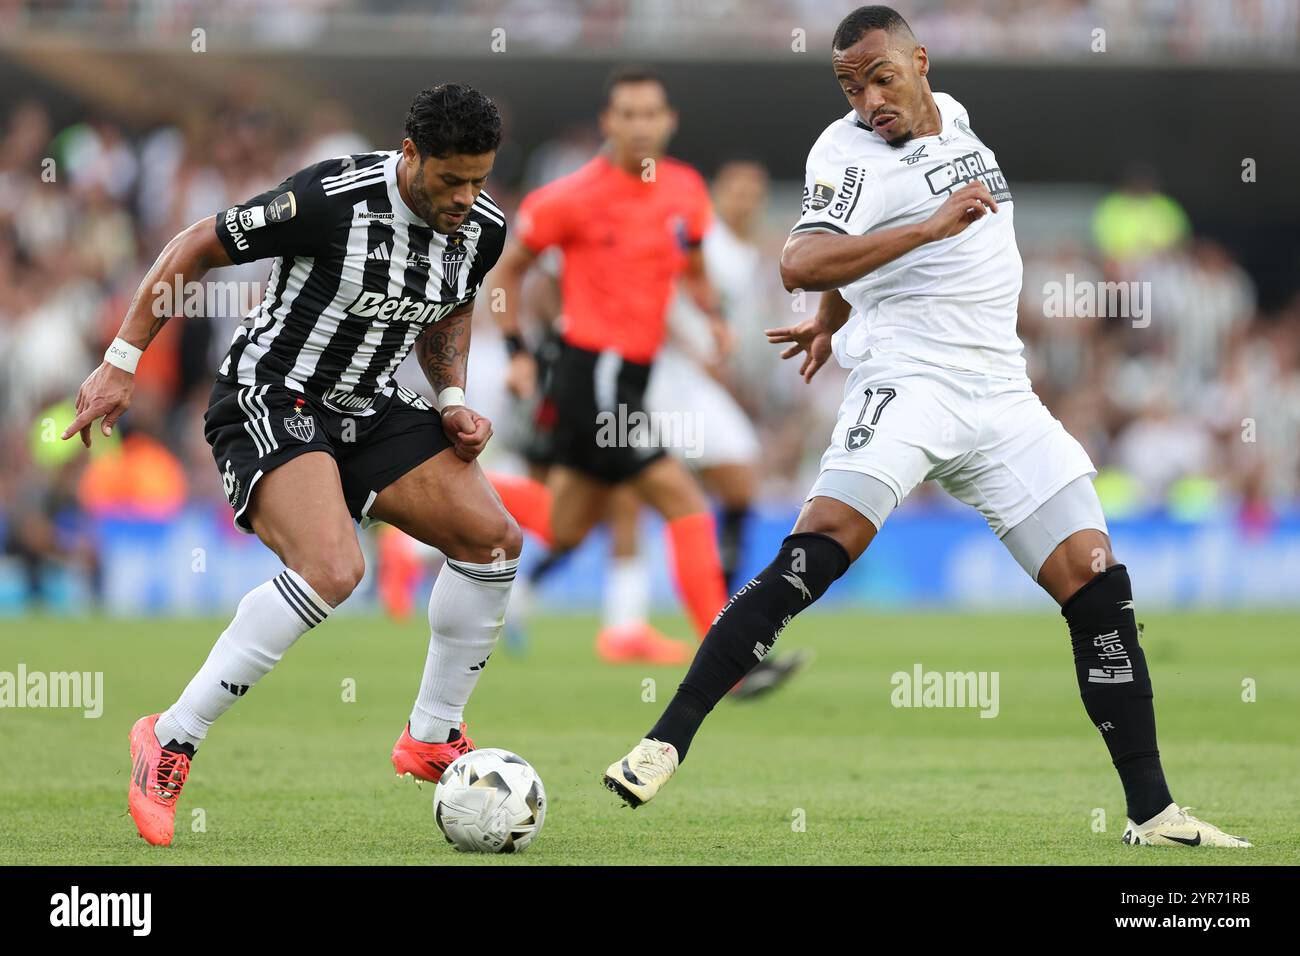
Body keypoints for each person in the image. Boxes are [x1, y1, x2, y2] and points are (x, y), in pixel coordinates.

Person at [603, 6, 1251, 849]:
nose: (869, 99)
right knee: (818, 549)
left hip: (1003, 397)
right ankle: (664, 742)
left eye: (880, 78)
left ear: (921, 61)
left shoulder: (962, 125)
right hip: (909, 385)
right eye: (849, 85)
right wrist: (918, 236)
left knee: (1095, 578)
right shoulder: (844, 154)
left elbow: (851, 259)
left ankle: (1153, 814)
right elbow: (800, 258)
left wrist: (835, 315)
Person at [63, 84, 520, 846]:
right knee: (334, 568)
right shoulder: (331, 196)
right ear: (410, 156)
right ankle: (169, 737)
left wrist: (447, 397)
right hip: (271, 394)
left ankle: (432, 734)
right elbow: (195, 245)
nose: (466, 198)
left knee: (494, 541)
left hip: (369, 404)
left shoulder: (482, 227)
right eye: (451, 181)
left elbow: (450, 307)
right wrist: (121, 360)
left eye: (479, 180)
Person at [488, 65, 729, 666]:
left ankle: (437, 490)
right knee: (683, 498)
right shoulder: (570, 198)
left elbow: (694, 271)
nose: (641, 125)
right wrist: (517, 351)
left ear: (668, 121)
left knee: (567, 527)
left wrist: (713, 317)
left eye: (652, 113)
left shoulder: (686, 191)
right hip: (588, 371)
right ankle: (731, 658)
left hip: (634, 374)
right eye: (629, 114)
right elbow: (507, 274)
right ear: (609, 122)